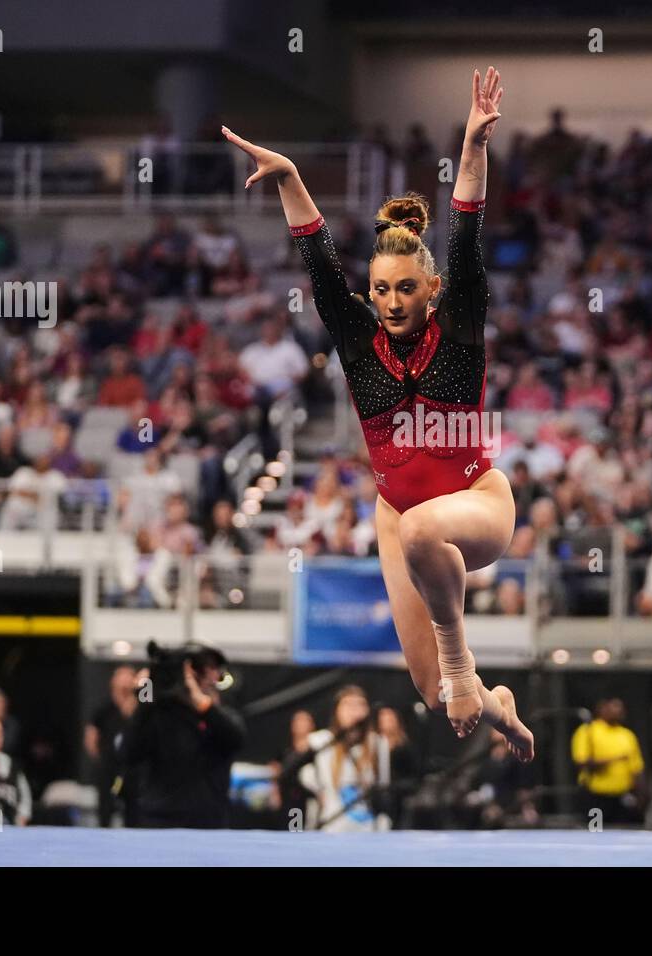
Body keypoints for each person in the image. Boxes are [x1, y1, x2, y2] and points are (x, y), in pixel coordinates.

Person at [223, 66, 533, 762]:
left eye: (404, 290)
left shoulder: (459, 329)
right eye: (380, 290)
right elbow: (318, 261)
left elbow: (467, 235)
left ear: (433, 290)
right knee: (431, 691)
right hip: (396, 516)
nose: (391, 302)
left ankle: (461, 663)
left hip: (476, 501)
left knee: (430, 536)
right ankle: (496, 702)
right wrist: (290, 177)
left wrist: (474, 147)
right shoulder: (358, 341)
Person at [122, 646, 246, 828]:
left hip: (209, 823)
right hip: (159, 821)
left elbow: (236, 739)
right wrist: (147, 696)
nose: (209, 674)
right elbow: (128, 753)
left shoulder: (222, 716)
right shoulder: (159, 716)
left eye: (213, 668)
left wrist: (197, 698)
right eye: (202, 668)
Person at [296, 685, 391, 832]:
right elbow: (303, 774)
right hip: (332, 826)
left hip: (368, 828)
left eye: (360, 704)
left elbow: (383, 785)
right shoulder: (319, 741)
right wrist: (318, 790)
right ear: (336, 711)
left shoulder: (378, 743)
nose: (355, 710)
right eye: (348, 704)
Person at [570, 698, 645, 825]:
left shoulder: (627, 735)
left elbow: (637, 768)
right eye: (614, 707)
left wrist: (640, 795)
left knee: (621, 835)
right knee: (596, 832)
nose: (618, 711)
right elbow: (581, 762)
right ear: (603, 709)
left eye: (620, 708)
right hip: (595, 797)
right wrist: (613, 760)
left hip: (621, 798)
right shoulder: (588, 731)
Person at [85, 665, 138, 827]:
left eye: (128, 683)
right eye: (120, 683)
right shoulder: (103, 710)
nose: (124, 687)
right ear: (113, 684)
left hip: (131, 767)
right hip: (109, 767)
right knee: (106, 808)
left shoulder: (141, 708)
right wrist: (100, 760)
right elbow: (91, 736)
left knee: (133, 808)